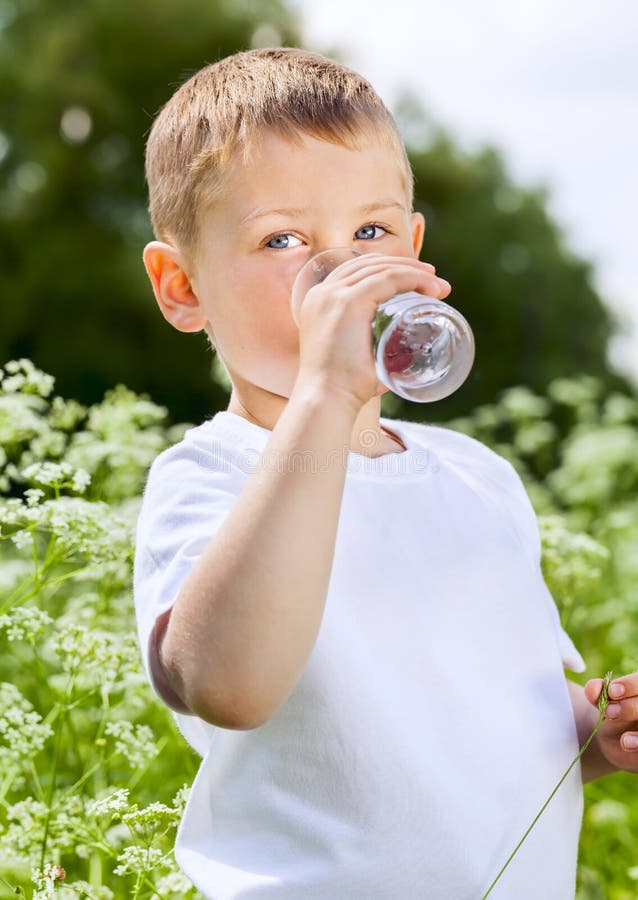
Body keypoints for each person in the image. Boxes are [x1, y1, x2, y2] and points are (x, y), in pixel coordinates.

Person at [134, 47, 638, 899]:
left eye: (369, 234)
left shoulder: (477, 477)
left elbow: (498, 716)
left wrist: (597, 732)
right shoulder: (209, 476)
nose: (340, 275)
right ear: (183, 286)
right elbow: (228, 686)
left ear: (413, 251)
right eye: (282, 240)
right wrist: (327, 392)